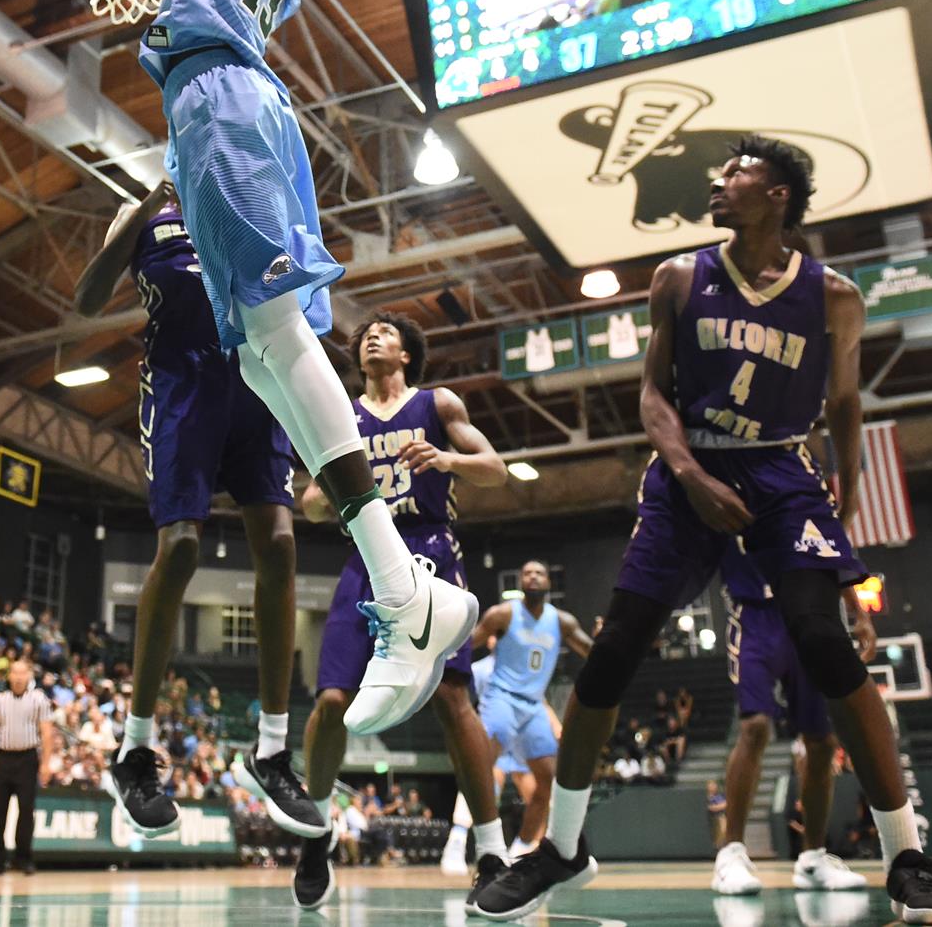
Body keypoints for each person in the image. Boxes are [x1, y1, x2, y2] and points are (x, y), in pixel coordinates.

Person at [474, 138, 932, 924]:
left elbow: (844, 402)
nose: (718, 180)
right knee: (614, 646)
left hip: (781, 470)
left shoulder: (834, 296)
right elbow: (652, 395)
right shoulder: (678, 277)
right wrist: (693, 475)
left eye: (736, 172)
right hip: (688, 468)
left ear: (778, 195)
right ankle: (562, 847)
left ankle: (905, 855)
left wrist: (848, 485)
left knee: (823, 636)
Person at [139, 0, 474, 738]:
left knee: (278, 336)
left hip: (218, 107)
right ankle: (403, 581)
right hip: (242, 109)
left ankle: (404, 590)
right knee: (256, 349)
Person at [74, 185, 322, 842]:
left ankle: (272, 749)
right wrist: (136, 216)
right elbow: (87, 299)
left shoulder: (244, 196)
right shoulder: (142, 212)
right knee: (181, 544)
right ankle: (134, 749)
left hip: (254, 376)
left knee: (280, 543)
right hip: (180, 380)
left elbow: (291, 285)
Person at [295, 312, 514, 910]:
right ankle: (316, 834)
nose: (372, 335)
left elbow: (496, 470)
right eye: (367, 332)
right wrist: (330, 493)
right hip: (365, 555)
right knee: (331, 701)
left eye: (386, 331)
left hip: (429, 550)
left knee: (452, 698)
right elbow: (310, 501)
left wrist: (447, 461)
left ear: (407, 353)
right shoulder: (341, 412)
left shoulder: (437, 404)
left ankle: (492, 853)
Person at [710, 544, 871, 896]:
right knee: (754, 726)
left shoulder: (800, 507)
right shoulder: (722, 507)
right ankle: (730, 853)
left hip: (804, 613)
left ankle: (813, 858)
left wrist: (856, 610)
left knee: (822, 742)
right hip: (752, 616)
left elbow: (828, 541)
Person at [473, 560, 592, 857]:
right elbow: (466, 645)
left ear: (548, 582)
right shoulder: (503, 614)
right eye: (527, 573)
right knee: (485, 769)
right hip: (502, 697)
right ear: (520, 582)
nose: (533, 577)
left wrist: (604, 641)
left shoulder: (561, 621)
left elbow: (591, 652)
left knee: (547, 778)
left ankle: (521, 849)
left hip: (535, 703)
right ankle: (485, 844)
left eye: (539, 573)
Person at [0, 659, 57, 876]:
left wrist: (46, 763)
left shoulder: (39, 699)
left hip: (27, 758)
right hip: (4, 758)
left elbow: (47, 732)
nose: (18, 677)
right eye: (14, 673)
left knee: (26, 810)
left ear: (29, 676)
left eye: (22, 673)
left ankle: (23, 859)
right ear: (9, 676)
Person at [706, 779, 728, 847]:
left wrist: (716, 807)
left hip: (720, 816)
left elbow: (725, 805)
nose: (713, 786)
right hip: (710, 817)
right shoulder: (706, 797)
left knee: (723, 829)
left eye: (714, 785)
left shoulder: (720, 796)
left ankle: (719, 845)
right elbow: (708, 807)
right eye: (711, 785)